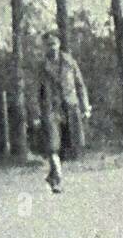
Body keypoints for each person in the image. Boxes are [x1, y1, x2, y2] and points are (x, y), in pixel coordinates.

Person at [37, 31, 91, 193]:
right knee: (53, 144)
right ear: (45, 47)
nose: (52, 47)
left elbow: (80, 85)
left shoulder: (69, 62)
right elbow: (35, 91)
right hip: (51, 109)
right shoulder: (42, 67)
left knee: (68, 145)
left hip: (70, 107)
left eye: (54, 43)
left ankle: (52, 176)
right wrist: (36, 113)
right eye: (49, 44)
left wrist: (85, 106)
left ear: (59, 44)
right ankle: (58, 177)